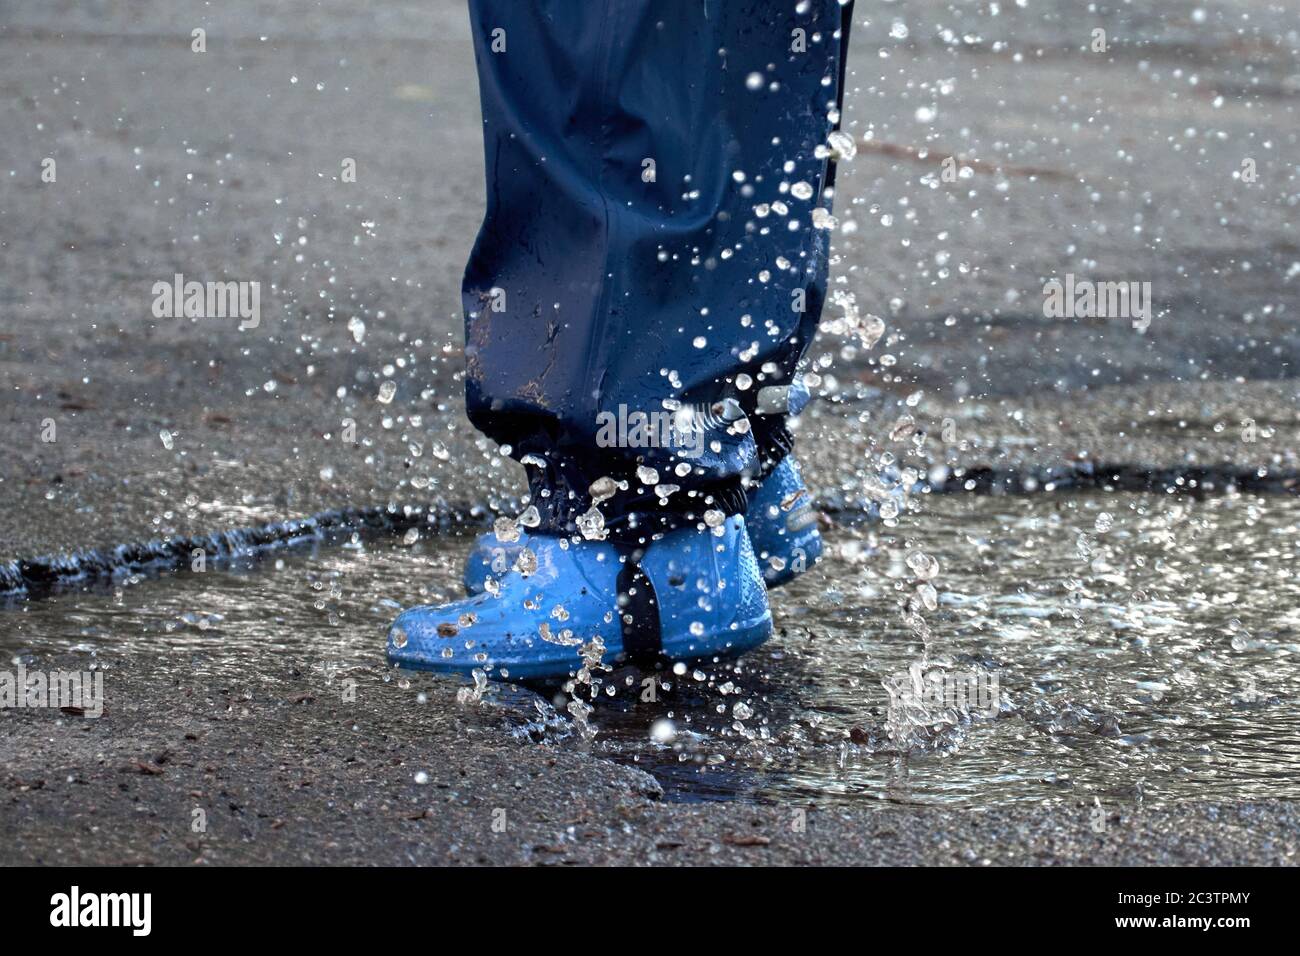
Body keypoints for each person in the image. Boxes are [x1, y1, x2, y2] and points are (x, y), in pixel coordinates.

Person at [388, 0, 854, 680]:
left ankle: (634, 540)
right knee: (746, 41)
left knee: (596, 36)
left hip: (637, 517)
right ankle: (737, 467)